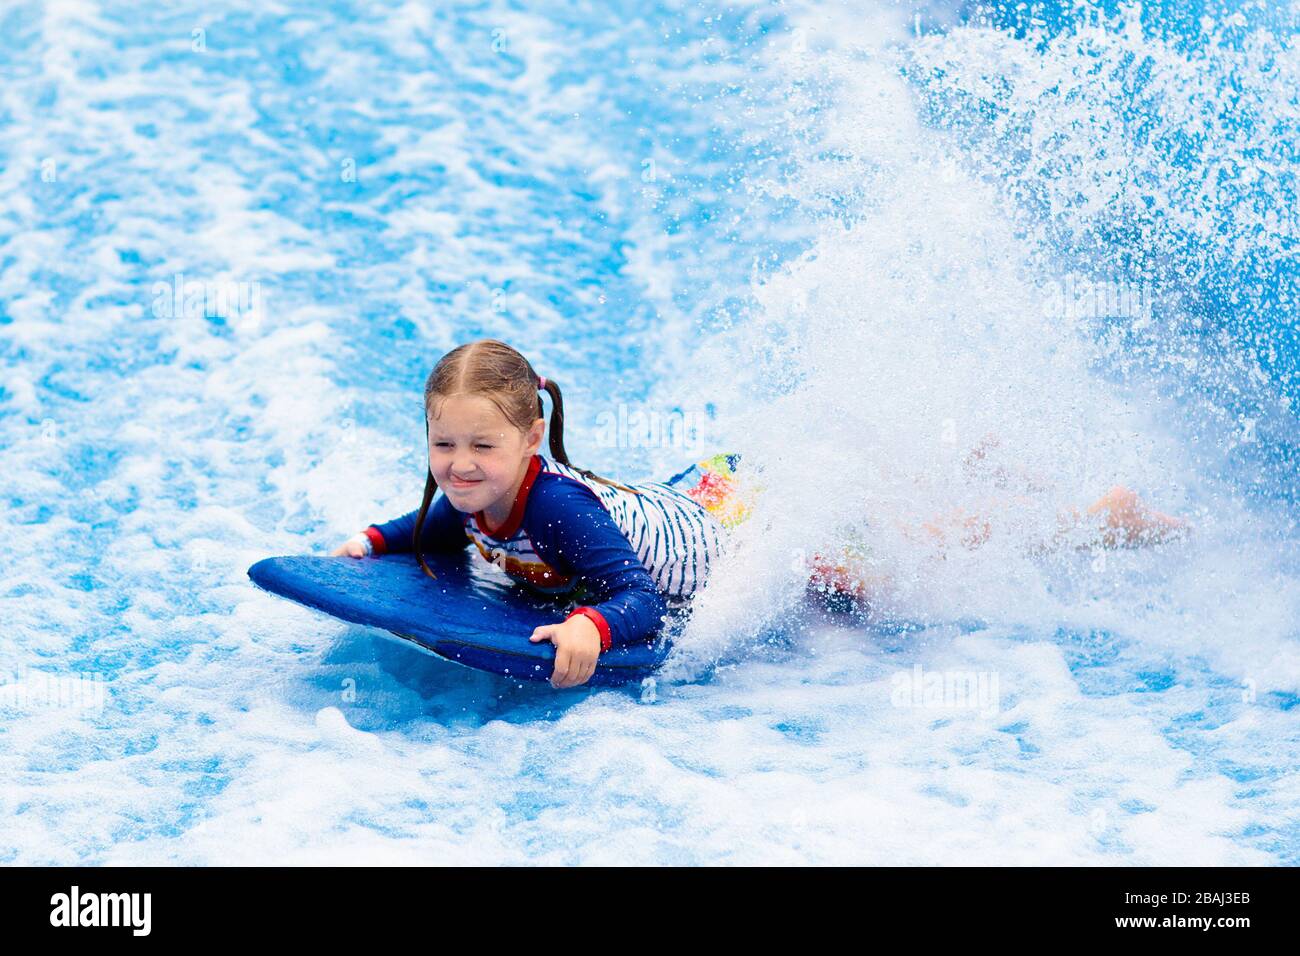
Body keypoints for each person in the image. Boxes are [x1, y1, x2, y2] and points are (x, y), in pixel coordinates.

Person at [334, 339, 1188, 687]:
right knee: (878, 536)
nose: (460, 466)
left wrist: (594, 628)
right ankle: (964, 465)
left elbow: (631, 595)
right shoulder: (469, 489)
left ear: (531, 436)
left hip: (758, 531)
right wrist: (379, 538)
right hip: (705, 494)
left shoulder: (556, 506)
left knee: (877, 575)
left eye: (482, 448)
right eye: (444, 445)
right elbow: (447, 522)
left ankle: (1091, 516)